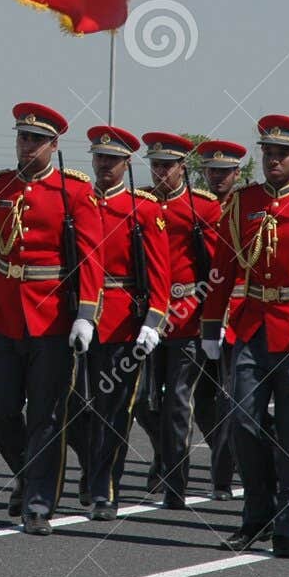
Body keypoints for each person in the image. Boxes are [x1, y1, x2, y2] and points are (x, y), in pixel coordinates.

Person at [201, 115, 289, 557]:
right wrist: (212, 323)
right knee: (242, 421)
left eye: (281, 154)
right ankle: (256, 514)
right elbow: (224, 267)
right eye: (267, 152)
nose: (272, 160)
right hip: (252, 322)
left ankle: (287, 524)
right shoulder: (245, 202)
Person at [0, 103, 102, 534]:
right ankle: (26, 472)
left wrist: (86, 314)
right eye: (22, 137)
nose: (27, 145)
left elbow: (89, 256)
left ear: (53, 145)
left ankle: (37, 504)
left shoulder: (74, 192)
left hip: (51, 319)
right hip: (2, 316)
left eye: (36, 139)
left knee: (47, 414)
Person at [82, 126, 169, 518]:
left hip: (121, 321)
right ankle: (91, 470)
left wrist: (153, 320)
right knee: (76, 406)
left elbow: (159, 273)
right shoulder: (80, 201)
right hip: (77, 318)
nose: (104, 165)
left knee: (115, 409)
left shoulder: (144, 210)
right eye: (100, 158)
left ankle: (105, 489)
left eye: (112, 160)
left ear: (126, 163)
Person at [137, 131, 222, 510]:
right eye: (155, 165)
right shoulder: (141, 204)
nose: (160, 172)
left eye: (166, 166)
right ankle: (163, 453)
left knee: (178, 404)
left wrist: (211, 320)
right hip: (146, 321)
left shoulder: (202, 207)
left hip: (186, 318)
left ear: (181, 167)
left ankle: (176, 482)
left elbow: (218, 269)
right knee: (141, 403)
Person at [192, 139, 247, 500]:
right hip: (202, 313)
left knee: (231, 400)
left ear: (236, 174)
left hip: (239, 314)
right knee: (202, 400)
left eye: (224, 172)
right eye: (212, 171)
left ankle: (222, 477)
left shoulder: (244, 208)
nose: (217, 177)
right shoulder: (198, 208)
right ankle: (233, 454)